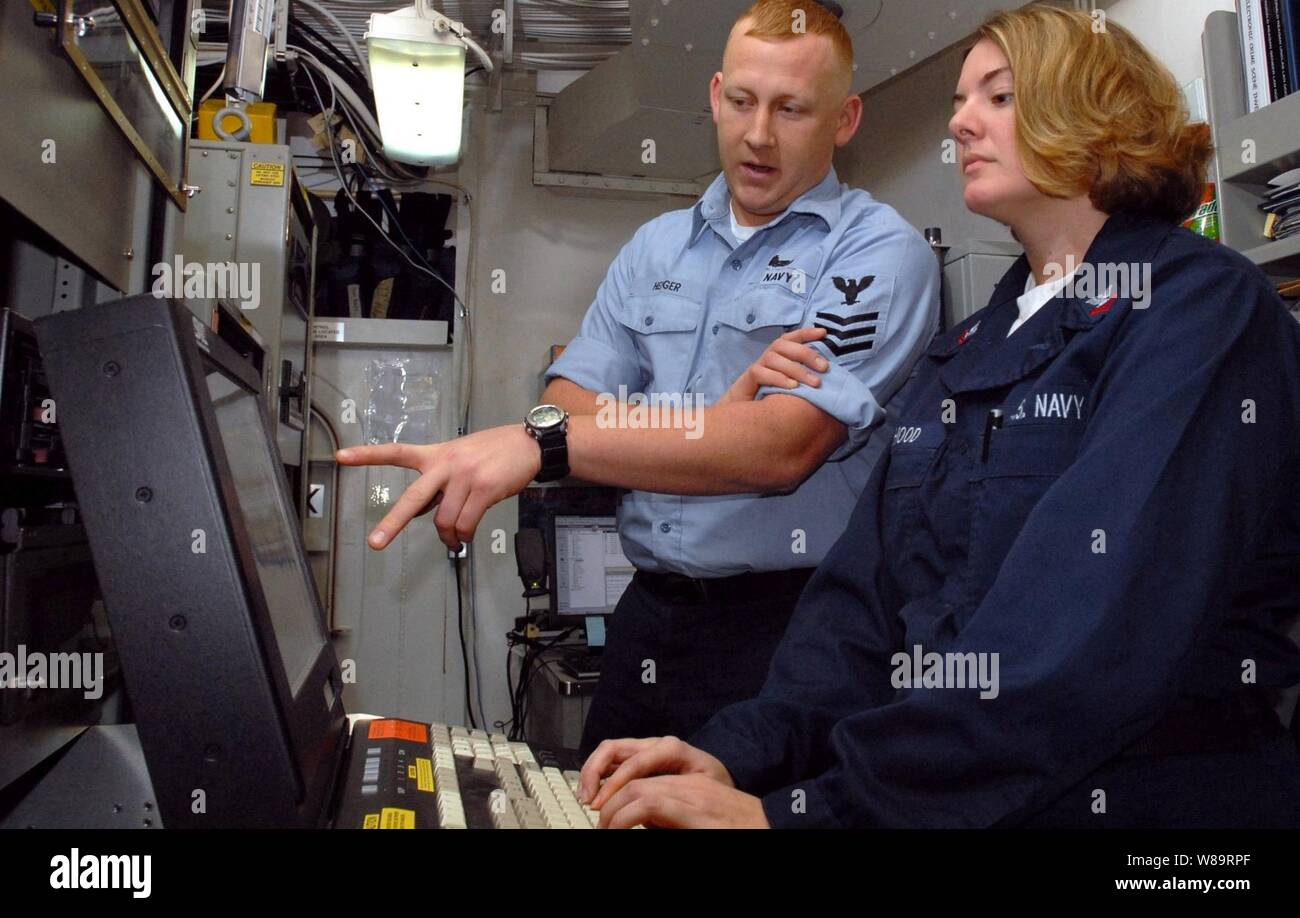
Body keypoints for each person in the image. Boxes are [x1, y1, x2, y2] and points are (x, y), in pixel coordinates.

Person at [577, 3, 1300, 829]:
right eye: (960, 100)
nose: (960, 121)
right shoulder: (969, 347)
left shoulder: (1198, 308)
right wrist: (736, 751)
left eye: (999, 96)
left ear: (1097, 111)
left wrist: (801, 816)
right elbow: (861, 610)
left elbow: (1078, 648)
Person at [336, 0, 940, 752]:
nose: (758, 135)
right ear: (716, 95)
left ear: (845, 119)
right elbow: (562, 397)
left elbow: (780, 449)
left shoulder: (878, 254)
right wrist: (714, 419)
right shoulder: (655, 249)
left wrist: (555, 445)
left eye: (792, 109)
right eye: (744, 102)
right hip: (647, 615)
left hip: (787, 628)